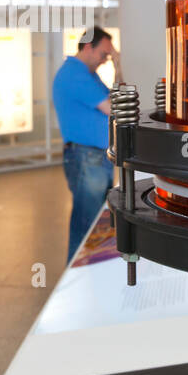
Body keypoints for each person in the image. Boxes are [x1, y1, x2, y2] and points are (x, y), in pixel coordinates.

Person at [51, 26, 121, 261]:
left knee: (96, 226)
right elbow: (113, 108)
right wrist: (118, 65)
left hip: (94, 158)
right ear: (89, 47)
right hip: (86, 158)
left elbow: (117, 98)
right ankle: (75, 284)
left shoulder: (87, 74)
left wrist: (118, 67)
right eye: (103, 55)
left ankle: (87, 276)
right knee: (86, 228)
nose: (104, 61)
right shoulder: (76, 74)